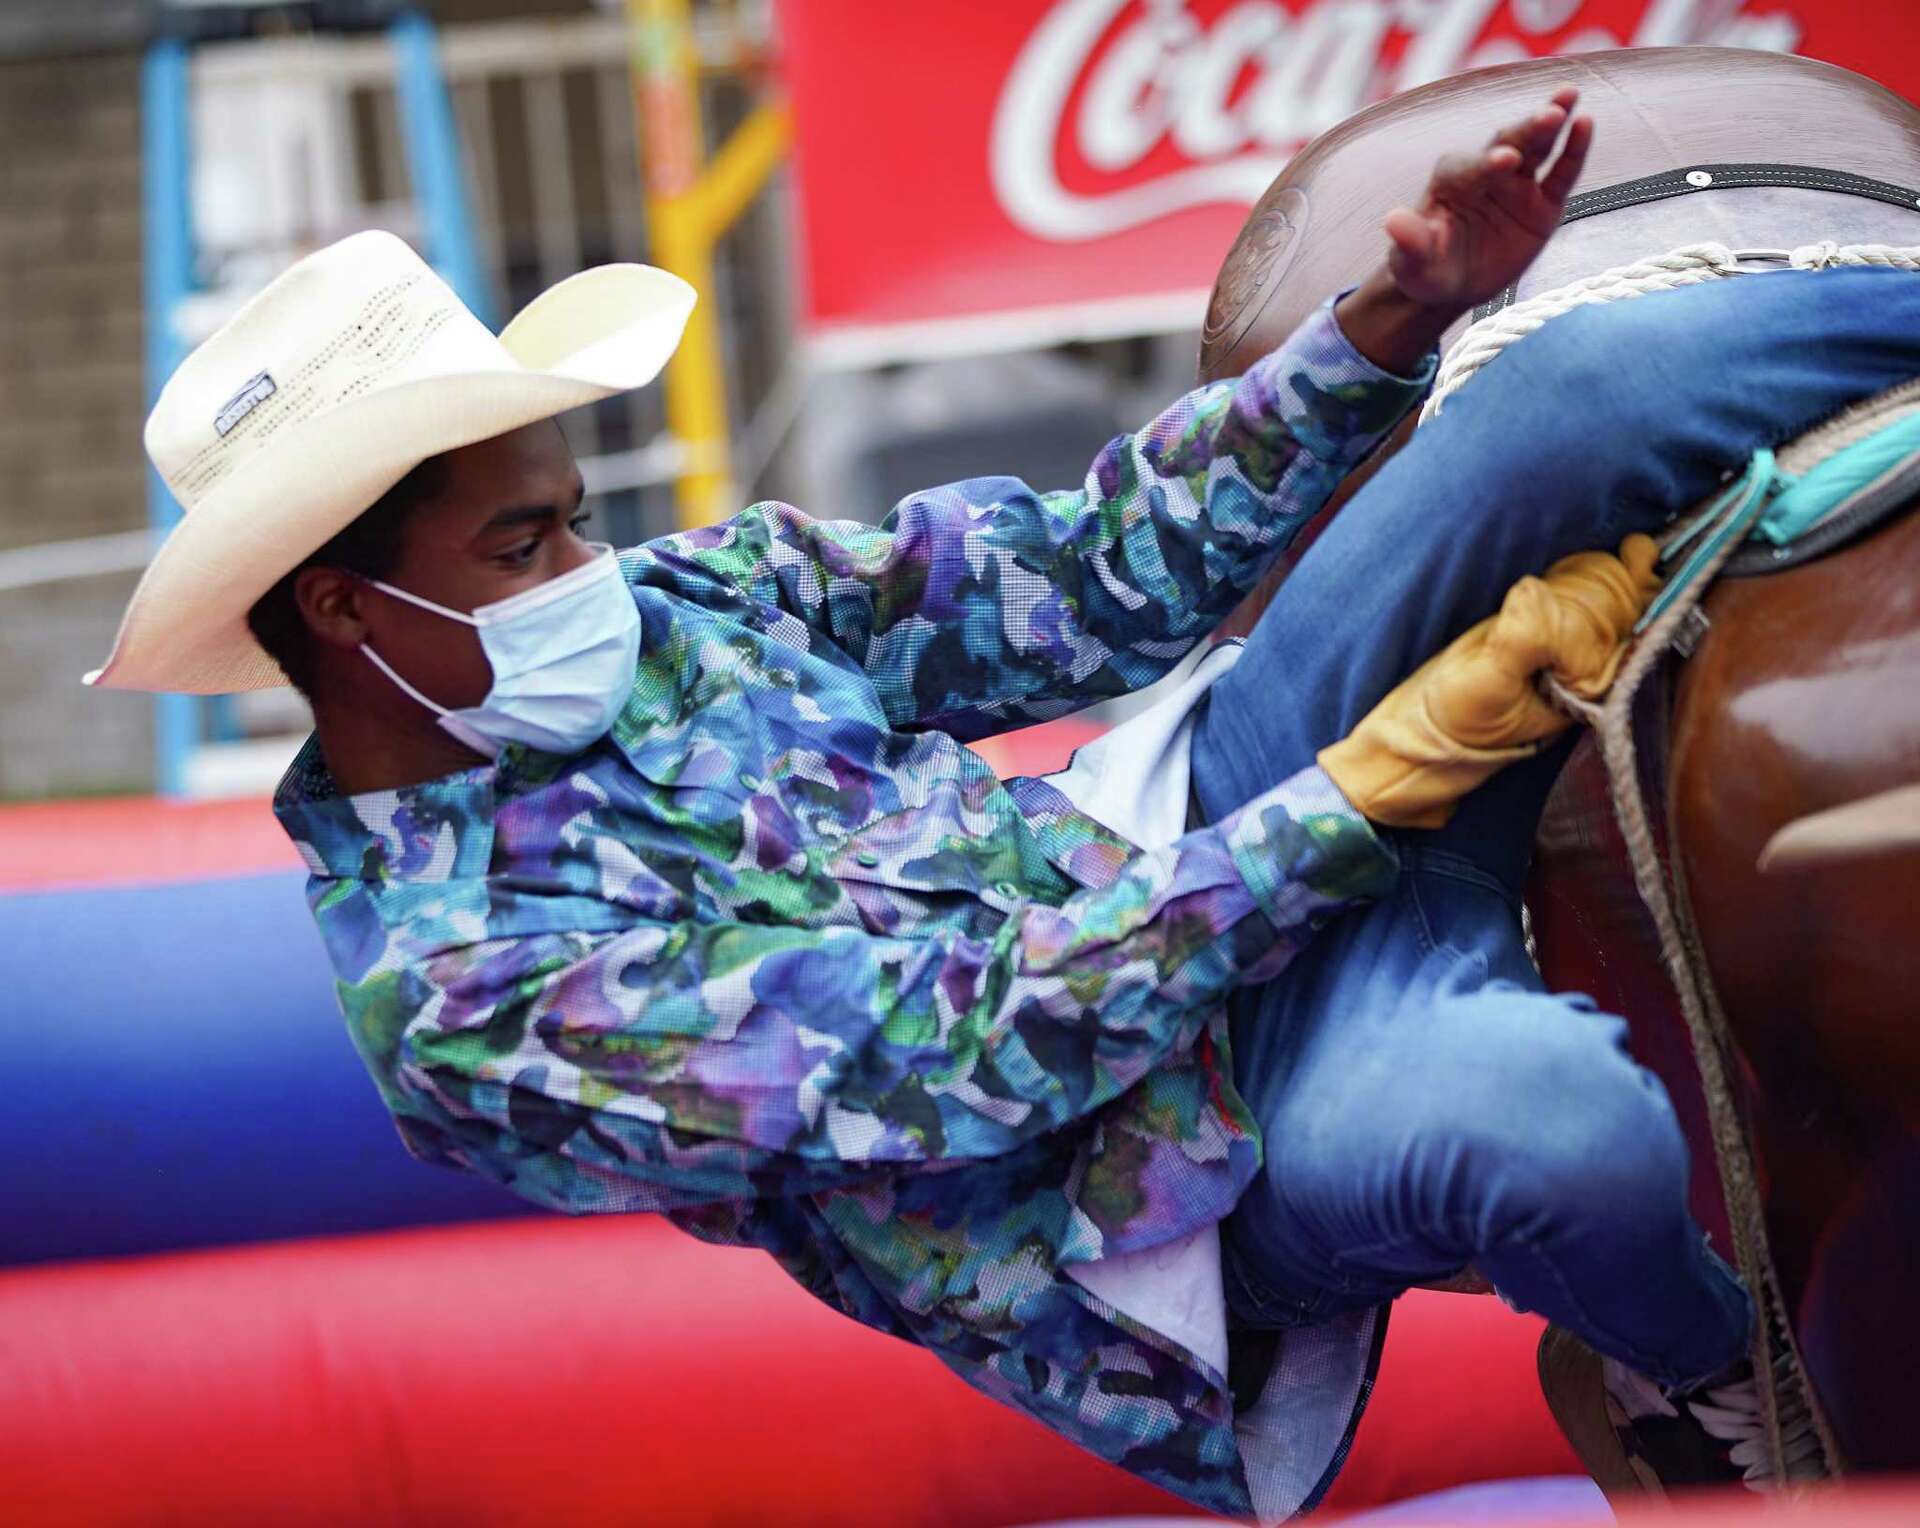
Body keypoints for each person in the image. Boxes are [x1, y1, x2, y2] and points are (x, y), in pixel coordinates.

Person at [87, 88, 1920, 1522]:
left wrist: (1382, 320)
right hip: (1181, 1186)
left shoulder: (683, 605)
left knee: (1586, 383)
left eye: (572, 508)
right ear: (345, 609)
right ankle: (1714, 1397)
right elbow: (974, 1050)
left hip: (1203, 826)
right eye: (524, 539)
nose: (593, 562)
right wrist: (1372, 786)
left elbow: (1095, 573)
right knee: (1559, 1139)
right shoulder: (463, 1006)